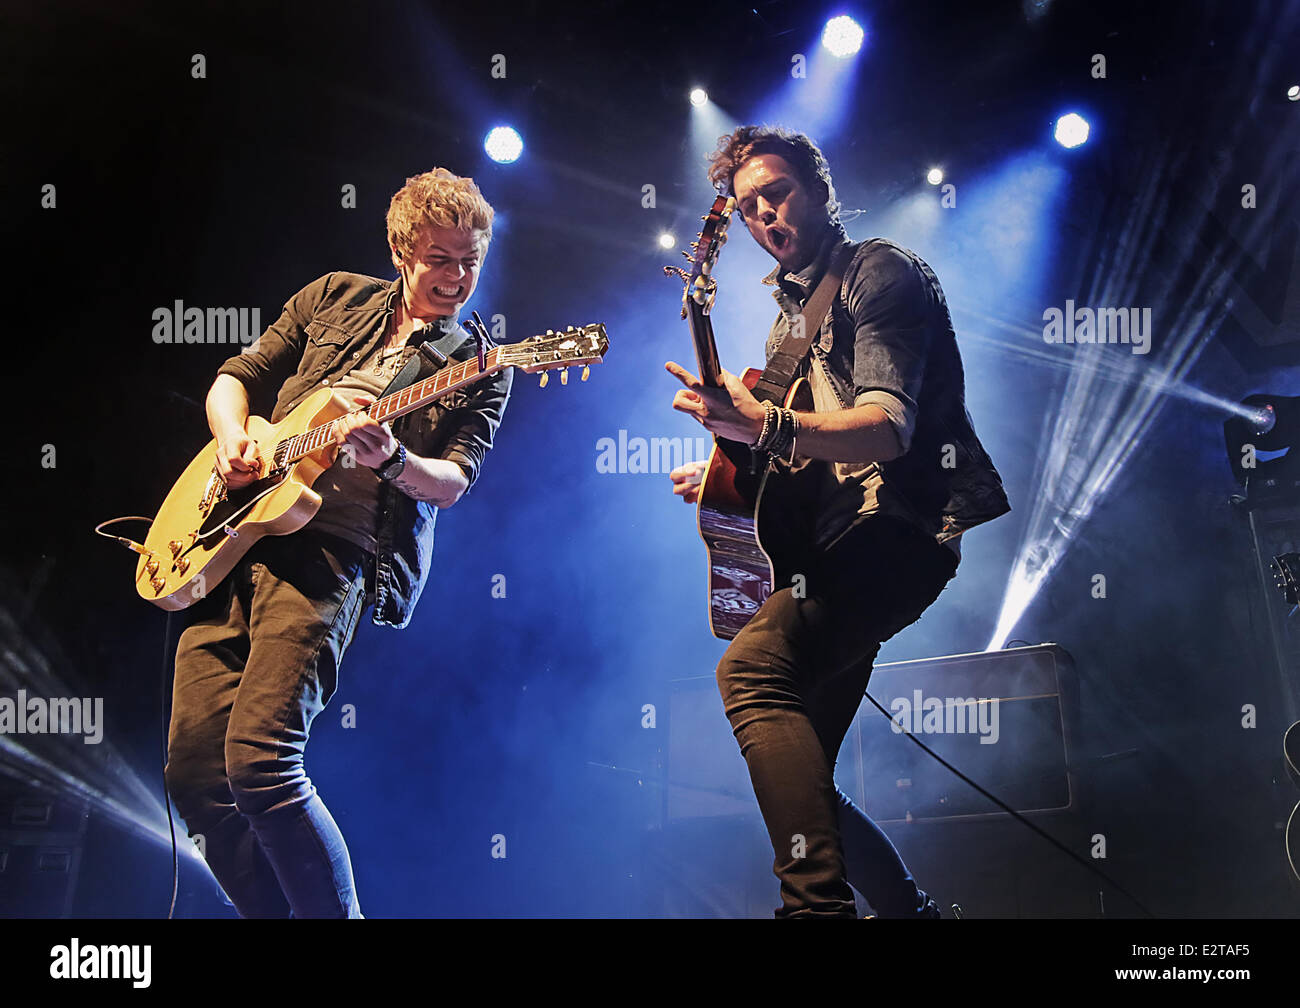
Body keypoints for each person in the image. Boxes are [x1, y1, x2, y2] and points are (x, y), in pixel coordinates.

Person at [666, 126, 1010, 918]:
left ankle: (815, 910)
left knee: (750, 675)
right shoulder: (786, 324)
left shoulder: (879, 272)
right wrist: (727, 467)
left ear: (819, 189)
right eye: (749, 208)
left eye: (776, 194)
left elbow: (887, 426)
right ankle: (912, 915)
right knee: (806, 780)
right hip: (836, 542)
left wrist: (766, 429)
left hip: (898, 533)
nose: (766, 216)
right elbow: (796, 447)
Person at [164, 167, 512, 918]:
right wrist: (232, 439)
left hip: (333, 555)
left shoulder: (479, 362)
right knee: (194, 776)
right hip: (229, 541)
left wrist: (390, 456)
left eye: (469, 260)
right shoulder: (332, 297)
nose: (456, 278)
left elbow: (453, 481)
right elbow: (236, 378)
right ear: (400, 250)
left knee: (259, 764)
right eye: (439, 259)